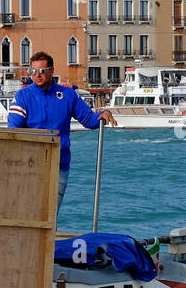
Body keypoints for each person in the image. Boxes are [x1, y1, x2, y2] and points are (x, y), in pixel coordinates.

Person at [8, 51, 116, 217]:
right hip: (30, 164)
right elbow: (14, 129)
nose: (37, 75)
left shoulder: (68, 95)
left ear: (51, 71)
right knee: (27, 213)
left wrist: (103, 114)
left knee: (50, 215)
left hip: (60, 165)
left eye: (42, 71)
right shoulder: (23, 96)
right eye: (33, 71)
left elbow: (88, 119)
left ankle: (50, 243)